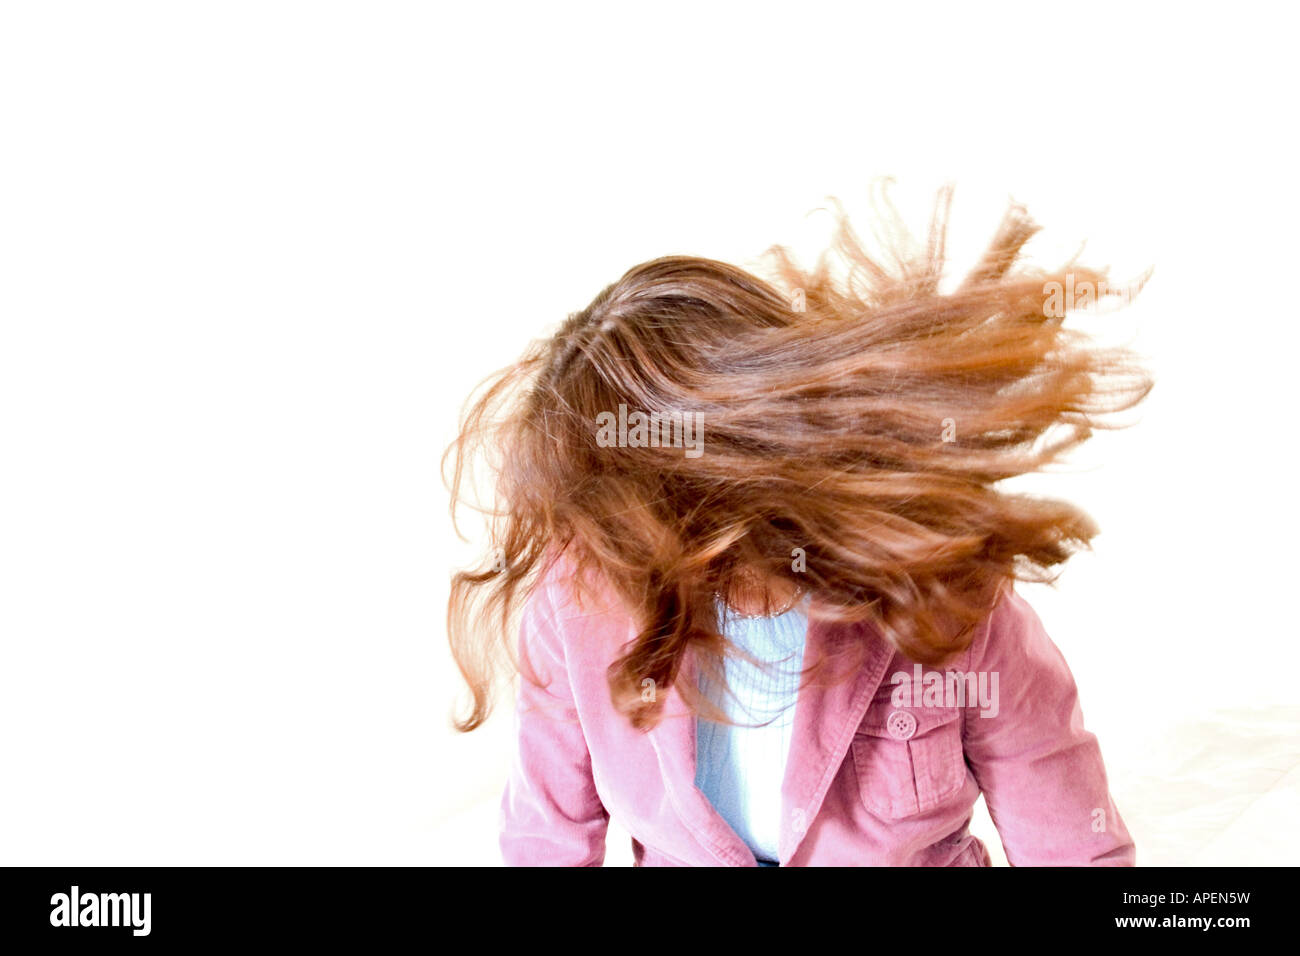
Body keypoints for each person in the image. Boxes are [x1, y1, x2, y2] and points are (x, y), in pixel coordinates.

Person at [445, 186, 1150, 866]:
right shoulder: (577, 601)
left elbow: (1070, 844)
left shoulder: (944, 589)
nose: (604, 552)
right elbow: (546, 840)